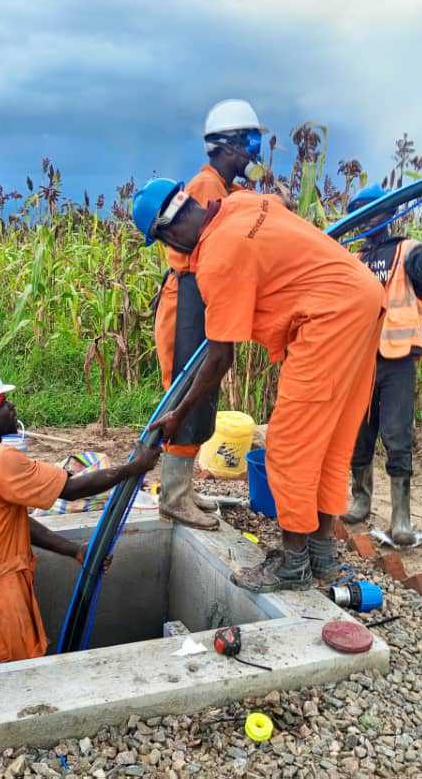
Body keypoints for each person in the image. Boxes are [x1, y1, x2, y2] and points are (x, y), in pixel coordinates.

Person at [133, 178, 385, 592]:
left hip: (328, 318)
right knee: (332, 439)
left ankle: (293, 564)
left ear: (168, 232)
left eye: (165, 244)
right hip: (364, 298)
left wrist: (179, 413)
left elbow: (219, 357)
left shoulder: (218, 260)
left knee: (289, 446)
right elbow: (279, 200)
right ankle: (321, 555)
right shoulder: (243, 203)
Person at [0, 360, 160, 664]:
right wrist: (135, 467)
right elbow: (70, 489)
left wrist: (74, 550)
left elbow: (12, 522)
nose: (12, 408)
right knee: (17, 677)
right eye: (3, 403)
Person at [152, 99, 268, 531]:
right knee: (184, 395)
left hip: (203, 297)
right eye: (250, 142)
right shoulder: (206, 188)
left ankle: (183, 491)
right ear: (228, 145)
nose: (254, 152)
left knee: (201, 399)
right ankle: (175, 497)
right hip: (189, 298)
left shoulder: (227, 189)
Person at [338, 180, 422, 545]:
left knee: (396, 434)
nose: (366, 222)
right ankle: (361, 500)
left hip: (396, 358)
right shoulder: (354, 260)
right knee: (358, 434)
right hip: (359, 360)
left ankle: (401, 517)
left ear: (388, 213)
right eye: (360, 217)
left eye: (372, 213)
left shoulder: (407, 250)